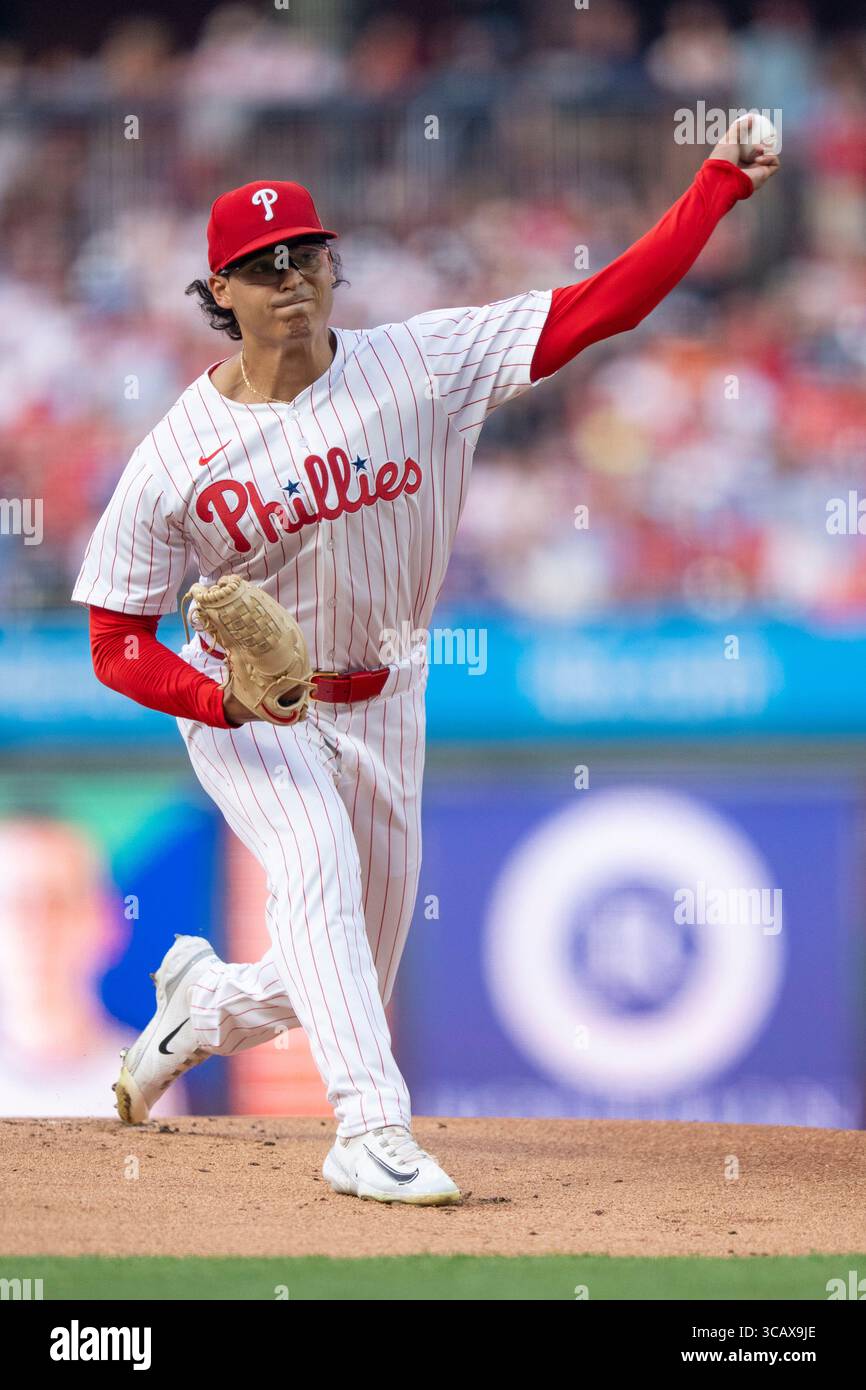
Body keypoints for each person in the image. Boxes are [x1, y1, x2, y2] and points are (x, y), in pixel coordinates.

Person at [72, 121, 779, 1205]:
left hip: (389, 695)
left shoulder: (422, 363)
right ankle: (367, 1126)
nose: (291, 278)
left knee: (338, 968)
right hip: (254, 716)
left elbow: (605, 305)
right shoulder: (174, 456)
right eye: (263, 267)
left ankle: (199, 1010)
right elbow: (115, 641)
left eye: (305, 254)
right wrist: (219, 697)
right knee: (310, 866)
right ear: (221, 288)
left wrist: (715, 184)